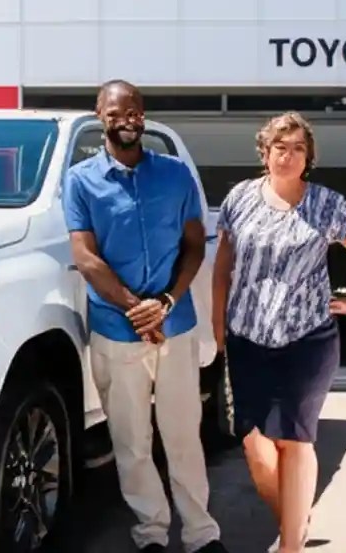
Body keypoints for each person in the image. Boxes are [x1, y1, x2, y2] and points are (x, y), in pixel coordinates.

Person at [63, 80, 226, 553]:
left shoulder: (175, 175)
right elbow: (86, 256)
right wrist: (137, 309)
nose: (127, 118)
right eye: (116, 111)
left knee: (182, 435)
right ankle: (151, 534)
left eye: (134, 110)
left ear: (143, 115)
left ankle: (201, 534)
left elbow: (194, 245)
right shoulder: (80, 181)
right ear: (100, 115)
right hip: (117, 330)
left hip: (175, 324)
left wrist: (168, 303)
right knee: (131, 440)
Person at [212, 111, 346, 553]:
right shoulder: (240, 199)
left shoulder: (326, 205)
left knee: (295, 439)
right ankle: (296, 516)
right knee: (256, 447)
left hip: (307, 339)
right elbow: (224, 264)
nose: (288, 155)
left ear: (309, 157)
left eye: (298, 148)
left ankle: (289, 545)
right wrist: (217, 325)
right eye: (280, 147)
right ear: (264, 153)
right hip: (247, 337)